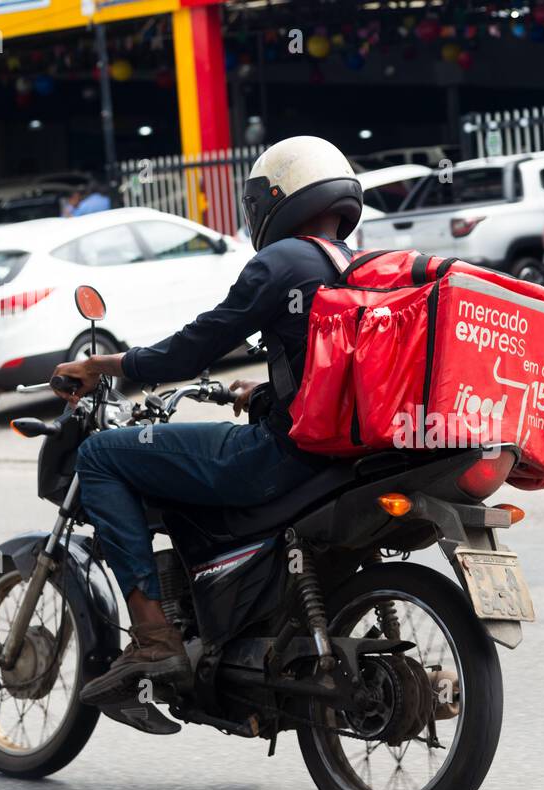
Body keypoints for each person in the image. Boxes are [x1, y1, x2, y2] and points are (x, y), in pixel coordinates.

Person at [49, 136, 364, 708]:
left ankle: (153, 638)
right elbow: (339, 375)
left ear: (276, 199)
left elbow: (191, 350)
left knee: (101, 455)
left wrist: (105, 364)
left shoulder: (282, 260)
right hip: (338, 454)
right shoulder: (362, 267)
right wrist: (269, 393)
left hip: (278, 459)